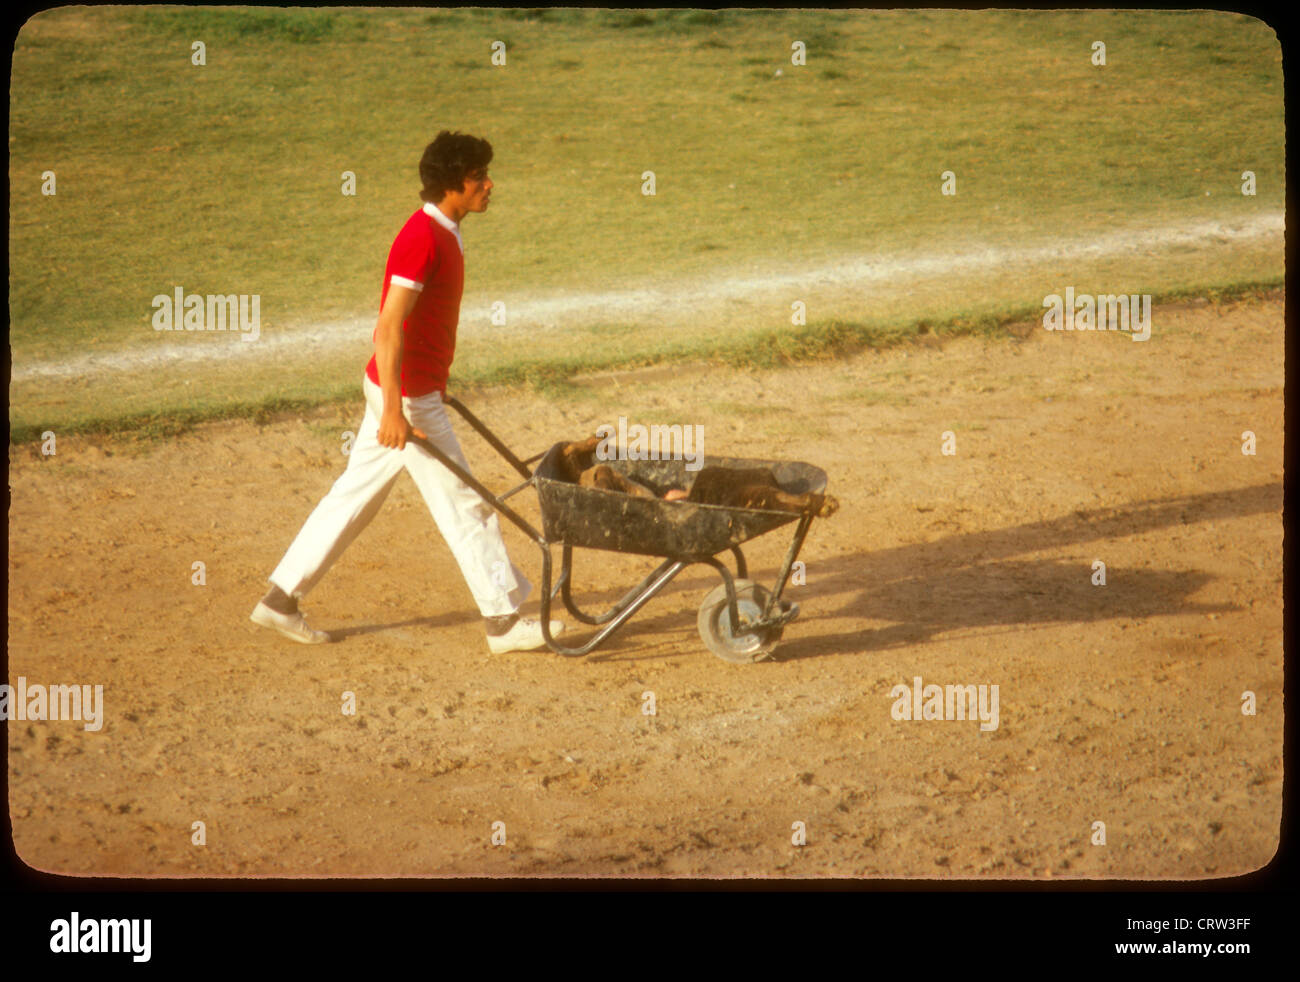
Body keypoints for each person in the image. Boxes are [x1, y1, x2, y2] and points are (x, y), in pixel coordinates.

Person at [250, 131, 563, 654]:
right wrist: (394, 411)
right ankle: (503, 624)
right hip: (407, 397)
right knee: (465, 503)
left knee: (354, 497)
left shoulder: (446, 228)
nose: (490, 184)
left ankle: (280, 600)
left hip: (406, 388)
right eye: (478, 177)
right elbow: (389, 327)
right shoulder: (422, 238)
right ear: (451, 186)